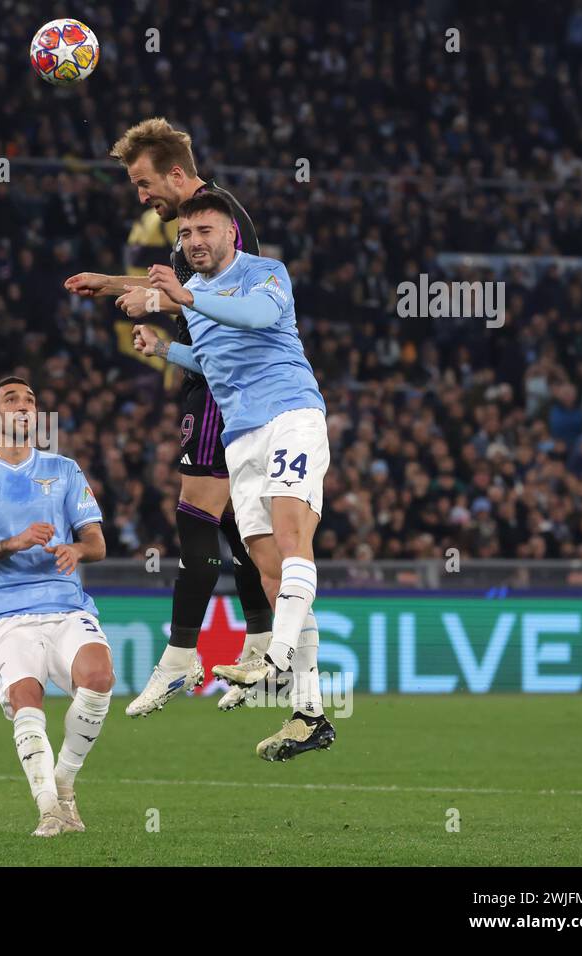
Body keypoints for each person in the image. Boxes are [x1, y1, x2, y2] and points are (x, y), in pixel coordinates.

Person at [64, 117, 275, 715]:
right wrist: (113, 285)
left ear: (176, 174)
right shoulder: (200, 227)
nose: (141, 197)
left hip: (217, 382)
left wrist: (157, 302)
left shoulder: (218, 222)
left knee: (194, 515)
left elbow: (227, 301)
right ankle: (261, 645)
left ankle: (182, 656)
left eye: (143, 183)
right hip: (210, 379)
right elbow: (188, 285)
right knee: (235, 518)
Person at [138, 189, 334, 761]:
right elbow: (216, 361)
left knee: (293, 539)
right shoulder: (194, 293)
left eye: (205, 231)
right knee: (269, 564)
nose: (194, 241)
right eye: (185, 235)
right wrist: (166, 348)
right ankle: (310, 714)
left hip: (290, 416)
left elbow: (257, 317)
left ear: (231, 235)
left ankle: (274, 657)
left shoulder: (264, 275)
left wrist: (185, 301)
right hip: (240, 438)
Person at [0, 377, 112, 836]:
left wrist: (78, 551)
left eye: (30, 401)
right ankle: (48, 809)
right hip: (6, 614)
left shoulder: (64, 469)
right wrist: (15, 543)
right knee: (26, 700)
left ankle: (63, 783)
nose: (23, 406)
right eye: (11, 400)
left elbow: (96, 540)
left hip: (65, 604)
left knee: (99, 680)